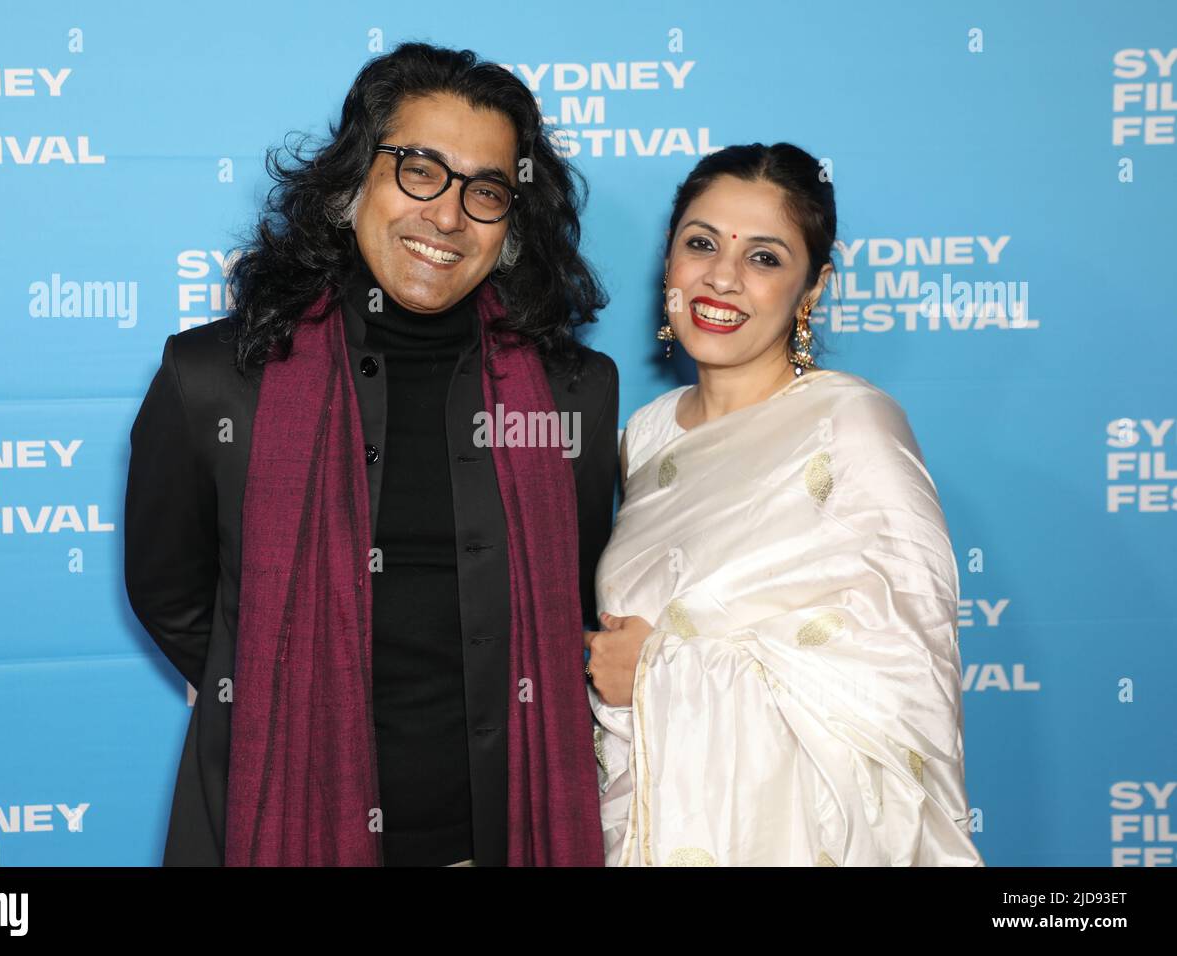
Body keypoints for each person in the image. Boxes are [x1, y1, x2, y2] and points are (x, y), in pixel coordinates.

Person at [124, 42, 618, 867]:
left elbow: (575, 593)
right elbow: (175, 599)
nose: (448, 216)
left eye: (486, 191)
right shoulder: (213, 380)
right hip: (279, 824)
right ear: (354, 180)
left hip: (500, 838)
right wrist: (295, 671)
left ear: (513, 222)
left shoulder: (573, 394)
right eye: (419, 169)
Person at [583, 143, 984, 866]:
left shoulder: (852, 425)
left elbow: (907, 690)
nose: (723, 277)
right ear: (667, 263)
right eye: (700, 244)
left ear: (812, 289)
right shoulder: (644, 438)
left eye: (764, 258)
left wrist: (657, 673)